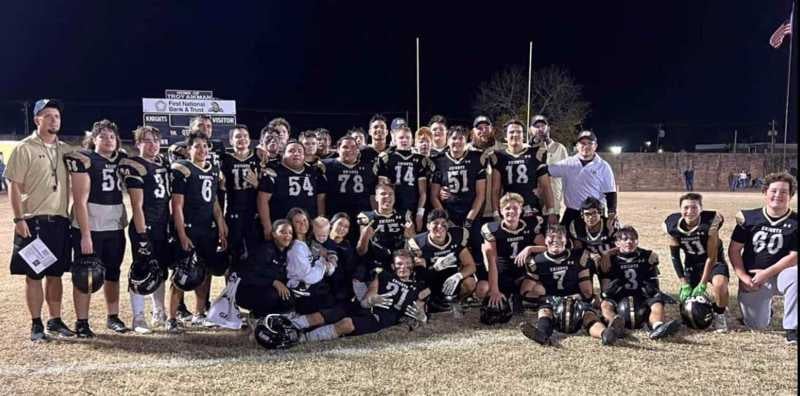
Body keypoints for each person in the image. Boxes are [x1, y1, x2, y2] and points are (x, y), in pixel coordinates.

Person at [6, 99, 76, 341]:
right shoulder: (24, 148)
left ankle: (55, 320)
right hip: (33, 221)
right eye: (48, 115)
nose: (53, 120)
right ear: (37, 119)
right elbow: (14, 186)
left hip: (60, 221)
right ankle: (36, 324)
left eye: (56, 116)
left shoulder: (66, 150)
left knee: (56, 274)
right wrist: (18, 219)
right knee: (34, 274)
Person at [275, 250, 430, 346]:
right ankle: (287, 324)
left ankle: (303, 339)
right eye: (399, 264)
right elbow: (366, 300)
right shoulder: (383, 275)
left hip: (380, 317)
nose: (403, 267)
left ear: (412, 266)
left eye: (407, 264)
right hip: (361, 307)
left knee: (346, 324)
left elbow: (420, 310)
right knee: (324, 315)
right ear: (393, 266)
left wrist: (421, 316)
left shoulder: (418, 287)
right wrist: (371, 300)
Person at [64, 119, 129, 337]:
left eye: (112, 136)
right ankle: (82, 322)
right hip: (90, 226)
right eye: (102, 136)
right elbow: (79, 201)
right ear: (93, 139)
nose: (108, 140)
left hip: (114, 226)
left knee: (113, 273)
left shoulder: (121, 159)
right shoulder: (85, 159)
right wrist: (85, 234)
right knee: (85, 273)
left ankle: (113, 316)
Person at [520, 225, 618, 346]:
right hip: (552, 302)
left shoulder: (578, 257)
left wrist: (575, 298)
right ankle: (542, 335)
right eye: (551, 237)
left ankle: (605, 334)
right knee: (544, 311)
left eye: (559, 237)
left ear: (566, 240)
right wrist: (545, 298)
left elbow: (587, 291)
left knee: (588, 315)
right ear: (545, 240)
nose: (555, 240)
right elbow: (525, 291)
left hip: (576, 301)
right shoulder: (537, 261)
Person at [729, 172, 797, 344]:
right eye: (774, 191)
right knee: (757, 325)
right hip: (754, 279)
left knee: (796, 276)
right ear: (765, 192)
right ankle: (767, 311)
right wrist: (743, 277)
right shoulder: (748, 218)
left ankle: (792, 328)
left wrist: (767, 272)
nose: (778, 195)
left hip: (782, 275)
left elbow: (794, 257)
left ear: (791, 195)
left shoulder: (796, 222)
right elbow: (734, 251)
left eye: (784, 192)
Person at [170, 132, 228, 331]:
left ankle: (199, 313)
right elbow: (177, 205)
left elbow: (214, 202)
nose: (202, 149)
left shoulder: (213, 170)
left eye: (205, 146)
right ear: (189, 149)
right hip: (189, 228)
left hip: (207, 229)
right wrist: (181, 233)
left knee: (204, 272)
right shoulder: (182, 169)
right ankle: (171, 318)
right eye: (197, 146)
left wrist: (221, 224)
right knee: (182, 272)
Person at [119, 125, 172, 333]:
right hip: (145, 226)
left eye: (156, 141)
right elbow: (137, 205)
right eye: (147, 141)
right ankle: (138, 318)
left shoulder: (162, 163)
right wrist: (142, 235)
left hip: (162, 225)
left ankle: (159, 311)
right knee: (140, 271)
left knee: (160, 270)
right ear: (138, 143)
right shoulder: (135, 165)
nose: (153, 145)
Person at [598, 226, 681, 340]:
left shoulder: (647, 256)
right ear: (617, 243)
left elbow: (653, 283)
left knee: (657, 303)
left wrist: (652, 291)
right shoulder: (610, 260)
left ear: (637, 241)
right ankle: (614, 326)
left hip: (641, 294)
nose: (629, 242)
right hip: (619, 294)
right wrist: (612, 289)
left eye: (633, 239)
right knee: (605, 305)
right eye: (625, 239)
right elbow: (605, 290)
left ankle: (658, 326)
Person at [664, 193, 729, 332]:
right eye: (686, 208)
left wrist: (703, 283)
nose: (690, 211)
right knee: (687, 300)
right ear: (680, 209)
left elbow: (711, 257)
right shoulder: (673, 225)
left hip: (714, 262)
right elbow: (675, 257)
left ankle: (720, 313)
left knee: (720, 285)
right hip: (692, 264)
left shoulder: (709, 222)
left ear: (701, 209)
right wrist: (683, 282)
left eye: (694, 207)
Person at [477, 193, 545, 311]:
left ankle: (518, 297)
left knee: (539, 290)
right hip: (500, 273)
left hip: (521, 274)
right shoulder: (493, 229)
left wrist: (530, 248)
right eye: (507, 208)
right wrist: (494, 290)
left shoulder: (529, 225)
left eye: (515, 208)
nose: (511, 211)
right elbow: (492, 261)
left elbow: (547, 248)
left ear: (521, 210)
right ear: (501, 211)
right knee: (482, 289)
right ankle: (507, 297)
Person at [406, 209, 477, 310]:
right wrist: (433, 267)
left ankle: (457, 301)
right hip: (431, 281)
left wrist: (458, 276)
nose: (440, 226)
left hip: (451, 280)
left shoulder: (457, 236)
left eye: (443, 223)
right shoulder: (419, 243)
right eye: (435, 223)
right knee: (420, 291)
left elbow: (471, 266)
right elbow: (419, 274)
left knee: (470, 283)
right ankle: (431, 302)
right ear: (428, 226)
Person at [488, 119, 557, 224]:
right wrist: (496, 213)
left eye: (519, 132)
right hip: (509, 209)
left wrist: (551, 211)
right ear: (505, 136)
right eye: (511, 132)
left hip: (531, 208)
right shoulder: (498, 156)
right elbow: (496, 189)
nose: (515, 135)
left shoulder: (536, 154)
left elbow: (546, 186)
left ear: (523, 136)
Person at [547, 130, 617, 228]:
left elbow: (610, 192)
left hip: (594, 214)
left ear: (595, 146)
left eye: (590, 143)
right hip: (572, 213)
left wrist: (611, 213)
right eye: (583, 143)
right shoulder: (568, 163)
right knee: (564, 236)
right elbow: (546, 171)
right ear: (577, 146)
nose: (586, 146)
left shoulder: (603, 166)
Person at [257, 140, 326, 239]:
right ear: (283, 154)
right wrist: (267, 227)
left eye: (300, 151)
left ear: (304, 156)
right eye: (291, 151)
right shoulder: (274, 172)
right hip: (281, 228)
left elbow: (320, 199)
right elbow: (262, 200)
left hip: (307, 227)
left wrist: (320, 222)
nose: (296, 154)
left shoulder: (314, 173)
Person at [355, 184, 415, 288]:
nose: (387, 196)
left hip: (399, 262)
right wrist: (365, 236)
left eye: (390, 194)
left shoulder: (404, 215)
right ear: (376, 198)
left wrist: (409, 237)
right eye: (383, 194)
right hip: (377, 262)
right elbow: (360, 251)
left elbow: (414, 247)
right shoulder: (367, 217)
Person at [221, 125, 261, 273]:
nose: (242, 139)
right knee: (233, 254)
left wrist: (257, 184)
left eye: (245, 136)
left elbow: (267, 190)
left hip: (254, 212)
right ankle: (231, 285)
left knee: (254, 253)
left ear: (250, 139)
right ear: (231, 141)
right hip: (234, 211)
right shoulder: (226, 159)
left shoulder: (258, 158)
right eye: (238, 136)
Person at [376, 125, 432, 232]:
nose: (404, 140)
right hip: (393, 207)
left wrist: (419, 214)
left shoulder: (420, 160)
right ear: (395, 139)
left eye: (407, 137)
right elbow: (382, 189)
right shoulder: (387, 158)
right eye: (401, 137)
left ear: (412, 140)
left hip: (413, 206)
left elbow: (423, 192)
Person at [323, 136, 377, 244]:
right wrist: (322, 216)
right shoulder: (326, 165)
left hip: (361, 215)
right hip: (336, 215)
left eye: (353, 147)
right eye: (345, 147)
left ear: (358, 150)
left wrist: (376, 215)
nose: (349, 150)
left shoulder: (368, 167)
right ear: (337, 149)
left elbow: (372, 195)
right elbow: (321, 195)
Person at [430, 126, 487, 229]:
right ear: (448, 141)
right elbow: (434, 196)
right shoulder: (439, 161)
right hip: (448, 214)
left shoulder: (476, 159)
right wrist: (445, 219)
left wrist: (469, 219)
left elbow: (481, 195)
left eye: (461, 138)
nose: (457, 141)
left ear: (466, 141)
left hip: (471, 212)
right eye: (454, 138)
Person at [236, 219, 295, 317]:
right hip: (246, 291)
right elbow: (249, 276)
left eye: (290, 233)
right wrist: (273, 282)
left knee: (289, 298)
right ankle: (258, 316)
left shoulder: (287, 252)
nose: (287, 235)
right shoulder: (266, 250)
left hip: (266, 289)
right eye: (282, 232)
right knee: (273, 296)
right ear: (274, 234)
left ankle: (271, 318)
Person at [285, 208, 336, 314]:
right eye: (297, 222)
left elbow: (326, 253)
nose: (302, 224)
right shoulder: (295, 247)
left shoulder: (310, 242)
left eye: (304, 220)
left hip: (317, 288)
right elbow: (308, 277)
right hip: (303, 294)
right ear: (291, 225)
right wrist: (323, 265)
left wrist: (330, 258)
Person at [529, 115, 569, 217]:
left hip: (553, 203)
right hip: (532, 203)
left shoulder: (560, 148)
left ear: (548, 128)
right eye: (536, 126)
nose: (540, 129)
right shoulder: (526, 149)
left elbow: (567, 176)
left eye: (543, 126)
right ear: (530, 130)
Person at [327, 212, 356, 304]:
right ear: (332, 224)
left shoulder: (348, 247)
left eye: (346, 227)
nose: (342, 228)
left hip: (342, 291)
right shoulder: (322, 240)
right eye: (340, 224)